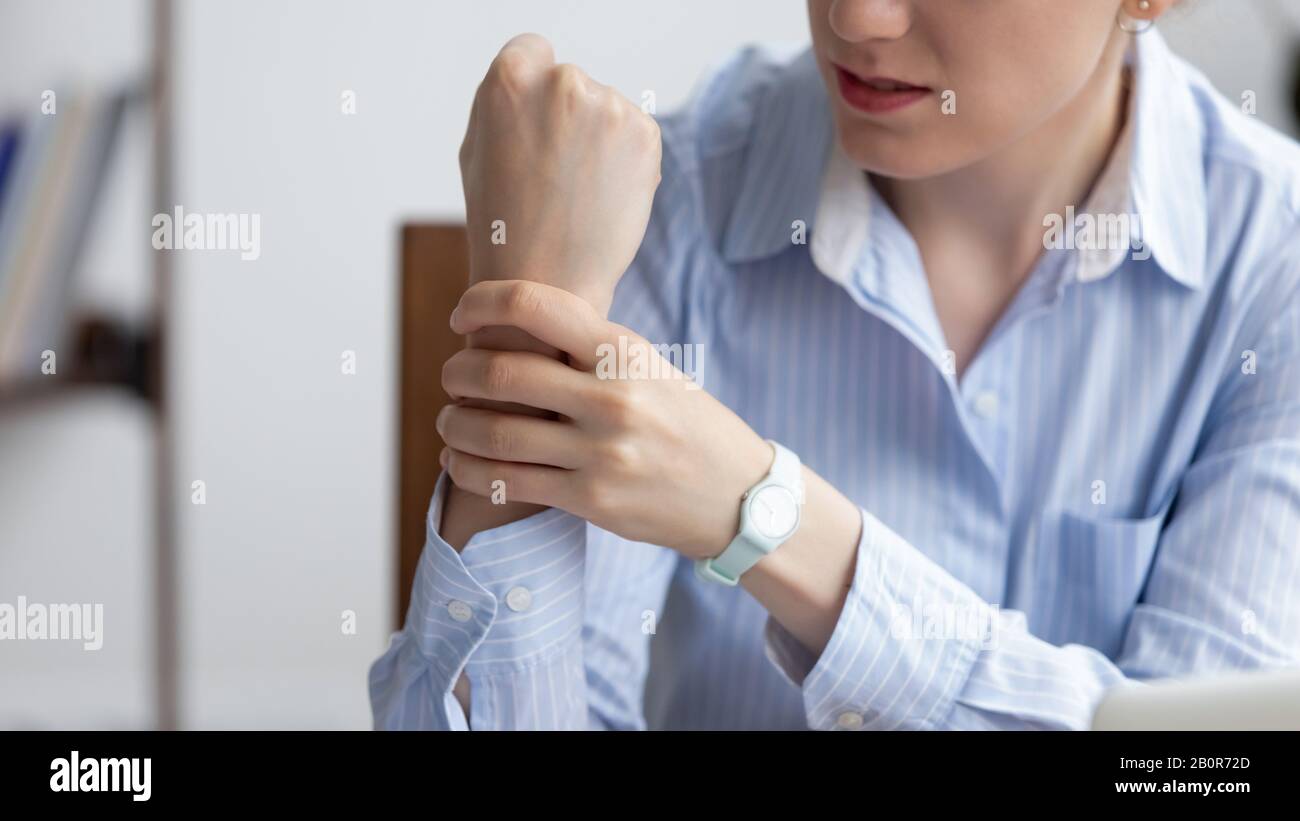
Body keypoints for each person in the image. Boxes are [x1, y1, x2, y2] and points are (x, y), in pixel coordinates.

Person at [370, 0, 1300, 730]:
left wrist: (764, 514)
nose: (858, 18)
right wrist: (537, 310)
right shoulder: (669, 198)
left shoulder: (1277, 265)